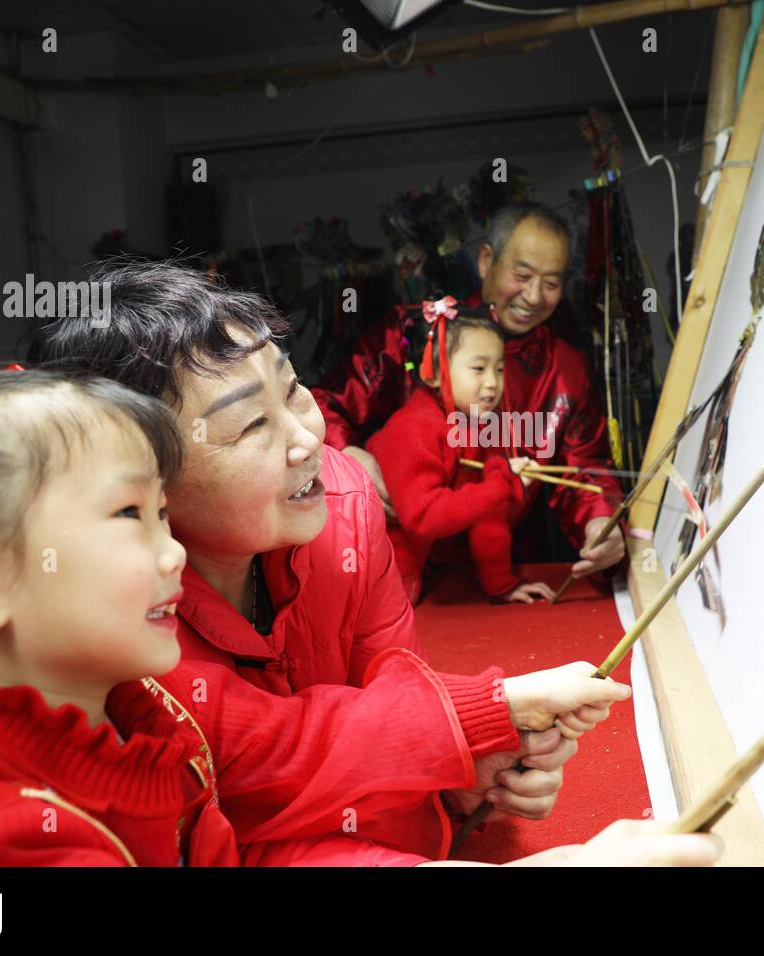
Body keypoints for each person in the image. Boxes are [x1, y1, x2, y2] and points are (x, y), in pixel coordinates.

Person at [0, 327, 720, 867]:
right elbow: (280, 756)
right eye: (131, 514)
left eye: (295, 389)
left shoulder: (142, 718)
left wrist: (468, 753)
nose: (168, 554)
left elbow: (309, 750)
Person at [30, 262, 606, 851]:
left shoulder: (345, 500)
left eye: (292, 389)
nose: (308, 439)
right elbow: (243, 799)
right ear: (138, 481)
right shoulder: (119, 618)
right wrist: (477, 714)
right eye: (252, 422)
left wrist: (452, 779)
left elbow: (389, 691)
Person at [314, 202, 627, 579]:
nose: (533, 296)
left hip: (503, 568)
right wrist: (347, 456)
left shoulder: (566, 369)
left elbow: (584, 470)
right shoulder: (416, 333)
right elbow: (321, 405)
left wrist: (600, 522)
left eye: (551, 283)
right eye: (522, 274)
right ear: (485, 261)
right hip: (400, 564)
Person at [367, 302, 551, 604]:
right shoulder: (412, 428)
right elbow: (422, 518)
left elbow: (487, 513)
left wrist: (501, 584)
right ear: (435, 373)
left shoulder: (474, 427)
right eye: (479, 368)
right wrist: (501, 485)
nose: (492, 382)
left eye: (500, 368)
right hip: (375, 568)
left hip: (421, 571)